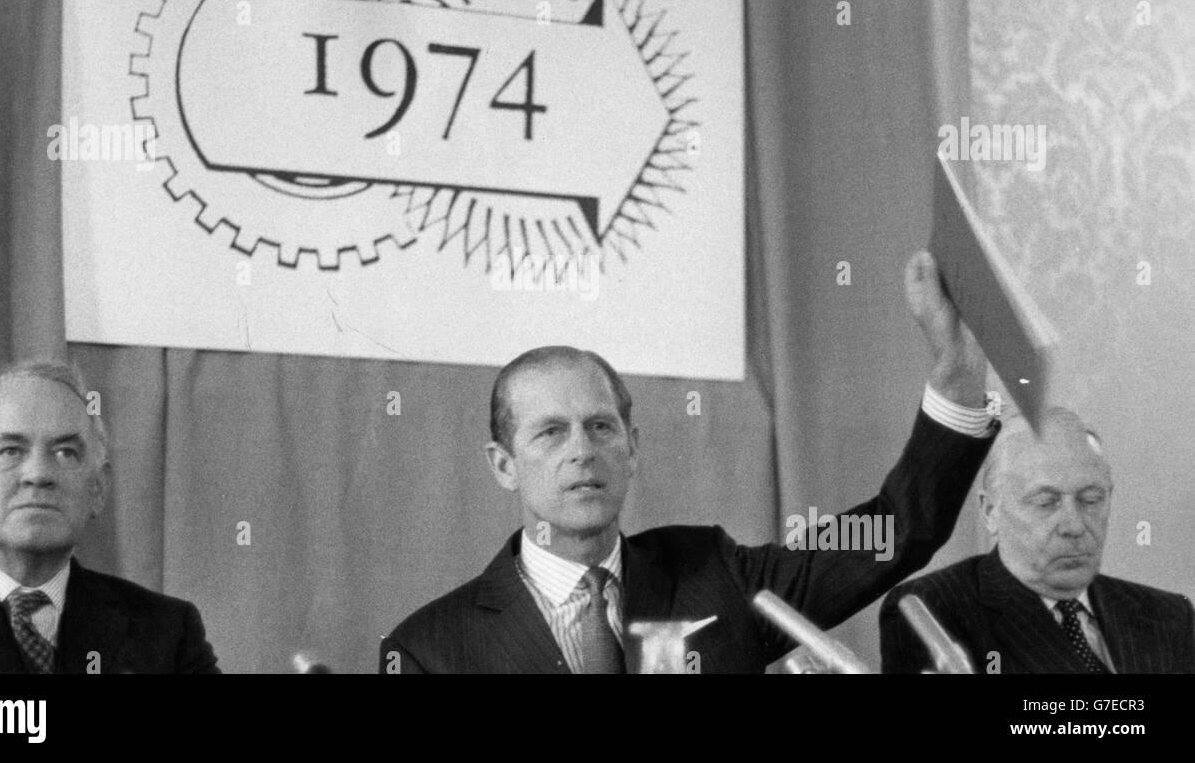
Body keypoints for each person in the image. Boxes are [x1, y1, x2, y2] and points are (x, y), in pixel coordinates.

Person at [381, 251, 998, 673]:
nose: (582, 449)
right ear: (502, 465)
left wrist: (959, 380)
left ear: (633, 447)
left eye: (601, 426)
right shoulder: (430, 650)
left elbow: (896, 533)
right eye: (550, 432)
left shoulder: (713, 573)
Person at [0, 360, 220, 673]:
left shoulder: (168, 632)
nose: (38, 474)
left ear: (97, 489)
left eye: (66, 452)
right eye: (10, 450)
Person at [879, 407, 1195, 674]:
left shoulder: (1169, 616)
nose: (1074, 526)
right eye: (1046, 503)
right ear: (990, 510)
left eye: (1091, 500)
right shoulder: (930, 608)